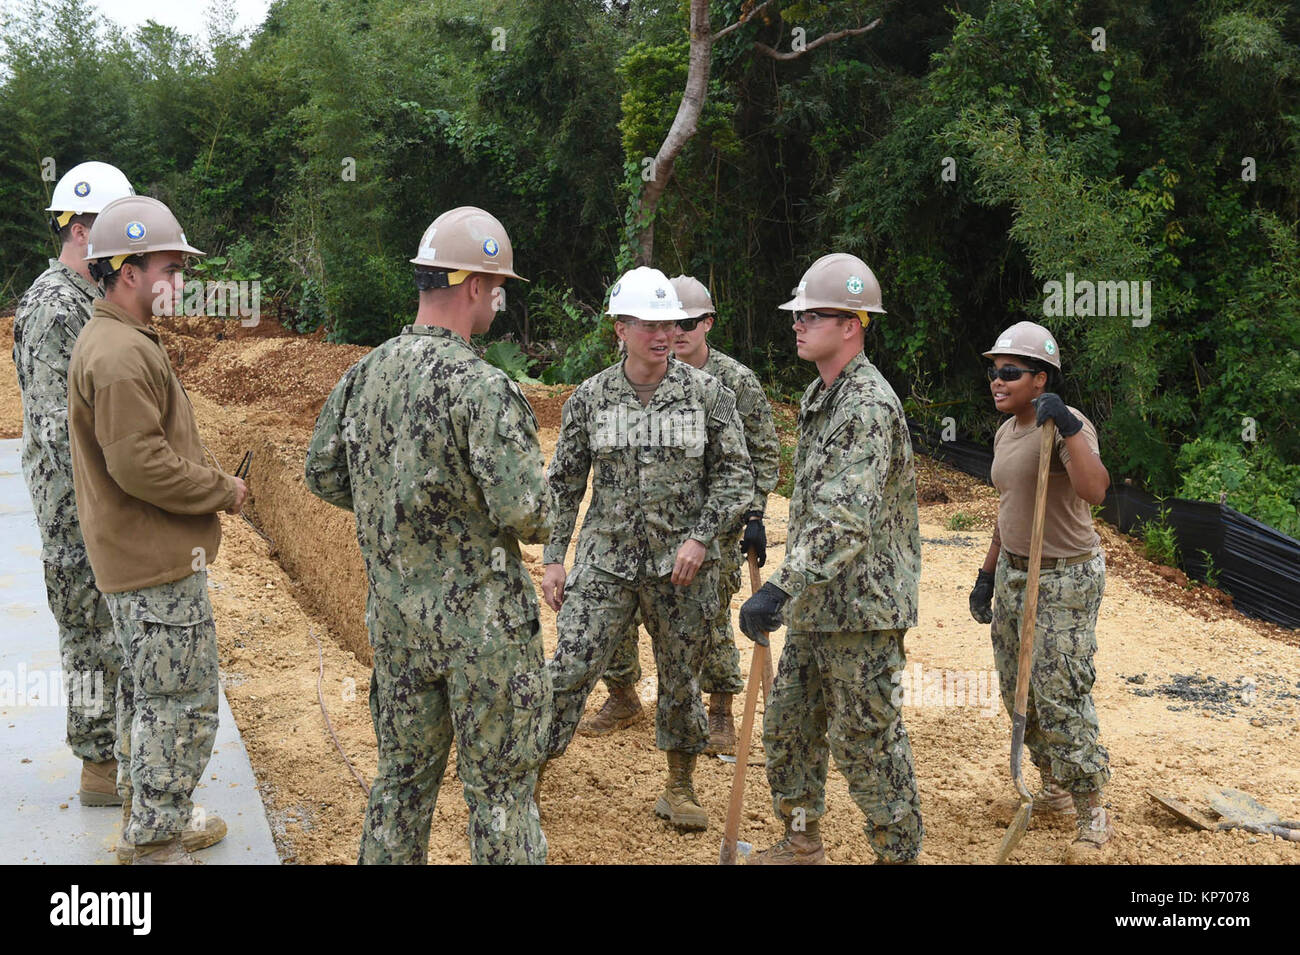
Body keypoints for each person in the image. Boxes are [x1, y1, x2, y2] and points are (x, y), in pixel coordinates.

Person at [305, 206, 552, 865]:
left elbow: (322, 470)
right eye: (497, 287)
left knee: (400, 786)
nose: (498, 300)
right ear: (473, 285)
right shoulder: (482, 386)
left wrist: (392, 509)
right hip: (485, 639)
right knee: (500, 798)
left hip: (398, 628)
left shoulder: (364, 375)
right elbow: (528, 510)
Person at [68, 195, 246, 864]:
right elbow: (139, 463)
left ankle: (149, 814)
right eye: (171, 267)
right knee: (182, 703)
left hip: (138, 560)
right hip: (152, 565)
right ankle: (158, 840)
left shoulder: (120, 339)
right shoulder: (117, 353)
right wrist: (220, 489)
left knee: (145, 695)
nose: (180, 281)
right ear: (128, 269)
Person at [541, 266, 752, 831]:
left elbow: (737, 477)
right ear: (620, 329)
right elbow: (564, 482)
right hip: (605, 563)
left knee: (681, 680)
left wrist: (700, 537)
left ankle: (680, 788)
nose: (662, 335)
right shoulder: (589, 398)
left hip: (679, 572)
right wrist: (555, 557)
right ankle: (527, 774)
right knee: (569, 667)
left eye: (670, 324)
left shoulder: (708, 395)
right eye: (647, 323)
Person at [739, 253, 923, 865]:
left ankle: (898, 855)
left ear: (852, 323)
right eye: (797, 313)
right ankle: (801, 840)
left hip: (864, 610)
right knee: (790, 727)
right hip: (820, 603)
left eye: (812, 314)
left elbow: (847, 519)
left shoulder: (867, 404)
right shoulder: (823, 396)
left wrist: (779, 588)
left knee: (867, 740)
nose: (797, 323)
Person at [582, 275, 780, 755]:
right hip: (635, 534)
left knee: (708, 621)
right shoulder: (628, 378)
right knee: (617, 618)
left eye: (685, 323)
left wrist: (754, 515)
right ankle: (624, 695)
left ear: (706, 323)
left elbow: (761, 455)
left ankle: (718, 712)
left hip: (713, 531)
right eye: (666, 323)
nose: (676, 333)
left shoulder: (732, 383)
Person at [12, 161, 135, 808]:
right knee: (90, 633)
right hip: (75, 507)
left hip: (99, 502)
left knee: (112, 631)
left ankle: (120, 754)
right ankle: (100, 767)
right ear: (84, 231)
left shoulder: (88, 301)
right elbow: (63, 436)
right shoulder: (53, 308)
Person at [968, 320, 1113, 863]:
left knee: (1058, 688)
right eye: (994, 372)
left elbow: (1095, 491)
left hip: (1064, 576)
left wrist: (1070, 427)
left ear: (1041, 379)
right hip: (1014, 568)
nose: (997, 381)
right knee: (1016, 685)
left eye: (1010, 372)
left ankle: (1091, 805)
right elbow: (1009, 512)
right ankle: (1051, 782)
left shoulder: (1066, 428)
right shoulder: (1008, 432)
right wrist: (986, 575)